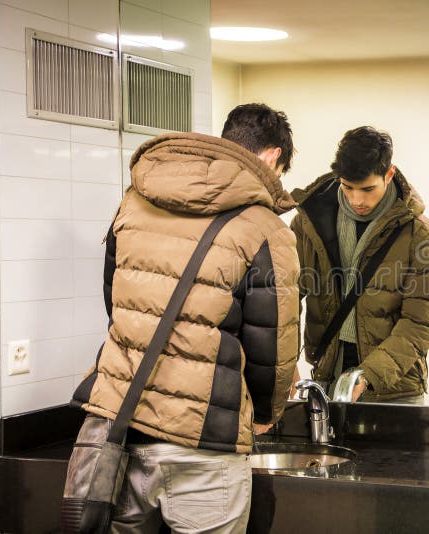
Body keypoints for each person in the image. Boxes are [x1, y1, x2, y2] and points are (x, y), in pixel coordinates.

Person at [70, 103, 300, 533]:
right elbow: (273, 344)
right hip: (205, 444)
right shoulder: (265, 228)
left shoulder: (134, 204)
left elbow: (115, 303)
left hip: (122, 428)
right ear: (271, 157)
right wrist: (267, 411)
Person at [290, 126, 429, 404]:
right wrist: (285, 365)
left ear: (389, 174)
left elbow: (420, 322)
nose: (357, 200)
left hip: (394, 388)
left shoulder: (420, 235)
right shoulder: (310, 221)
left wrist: (369, 374)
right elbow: (288, 297)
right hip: (327, 376)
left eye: (367, 189)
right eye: (347, 187)